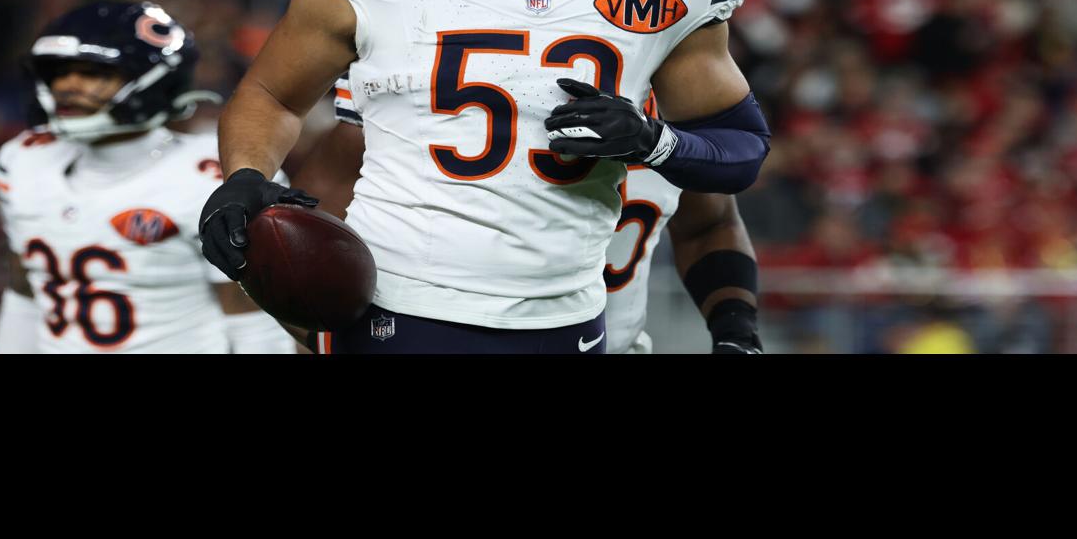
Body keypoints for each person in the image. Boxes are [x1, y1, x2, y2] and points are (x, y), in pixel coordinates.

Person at [199, 0, 771, 354]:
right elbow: (273, 96)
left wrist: (655, 142)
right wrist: (245, 175)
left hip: (573, 316)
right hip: (405, 303)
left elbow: (741, 148)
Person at [300, 78, 764, 354]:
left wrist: (736, 331)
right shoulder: (431, 88)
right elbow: (306, 237)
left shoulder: (673, 105)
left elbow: (711, 225)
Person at [0, 0, 294, 354]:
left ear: (156, 81)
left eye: (93, 73)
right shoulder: (24, 161)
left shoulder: (210, 176)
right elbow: (25, 293)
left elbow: (252, 320)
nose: (67, 86)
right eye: (60, 72)